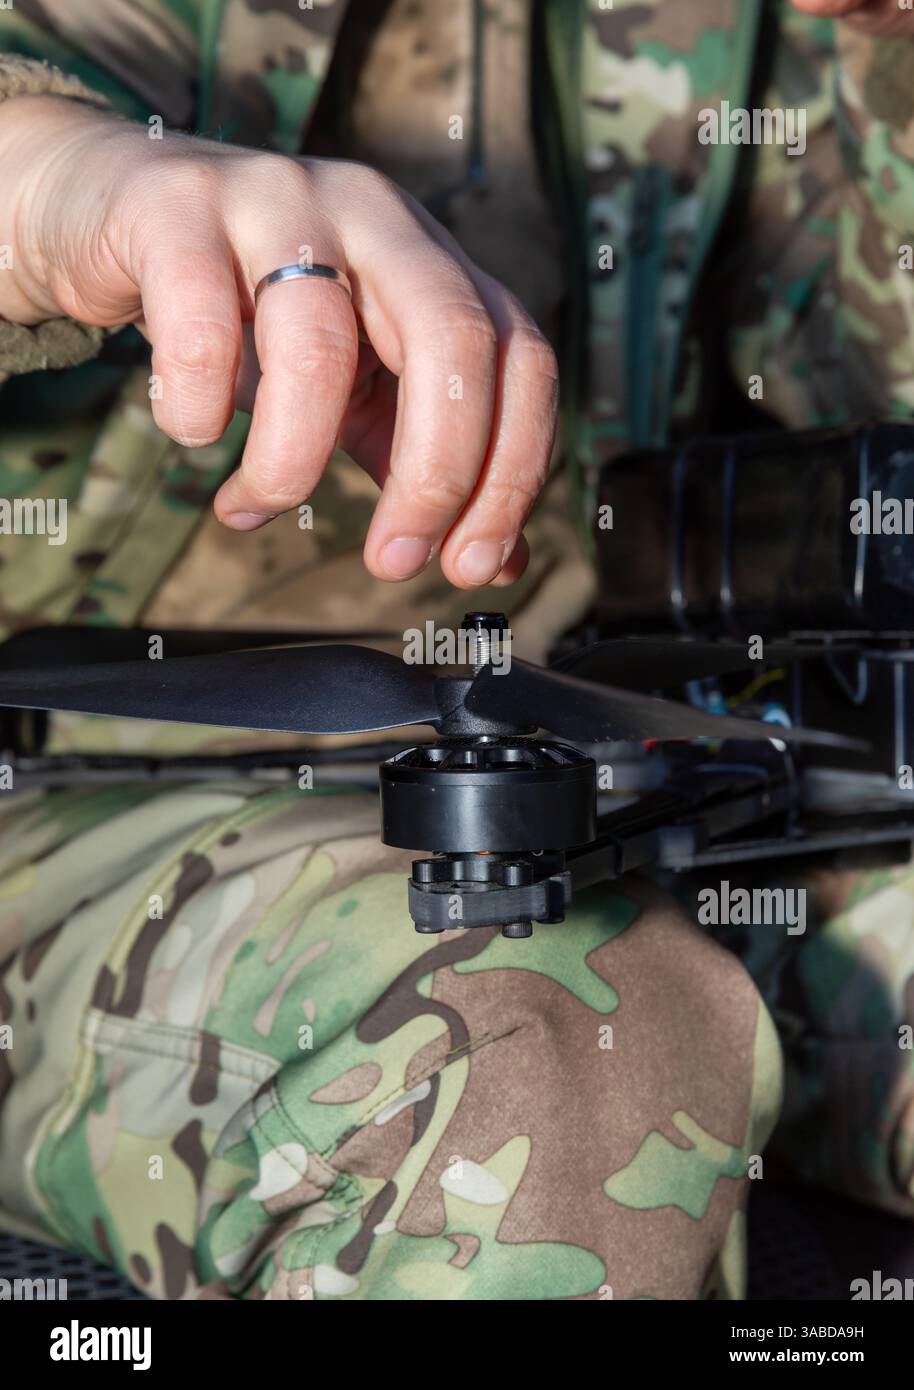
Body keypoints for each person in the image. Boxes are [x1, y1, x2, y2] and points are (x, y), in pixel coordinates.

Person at [0, 0, 911, 1300]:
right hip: (53, 788)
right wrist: (48, 173)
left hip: (608, 747)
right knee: (546, 1044)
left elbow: (851, 395)